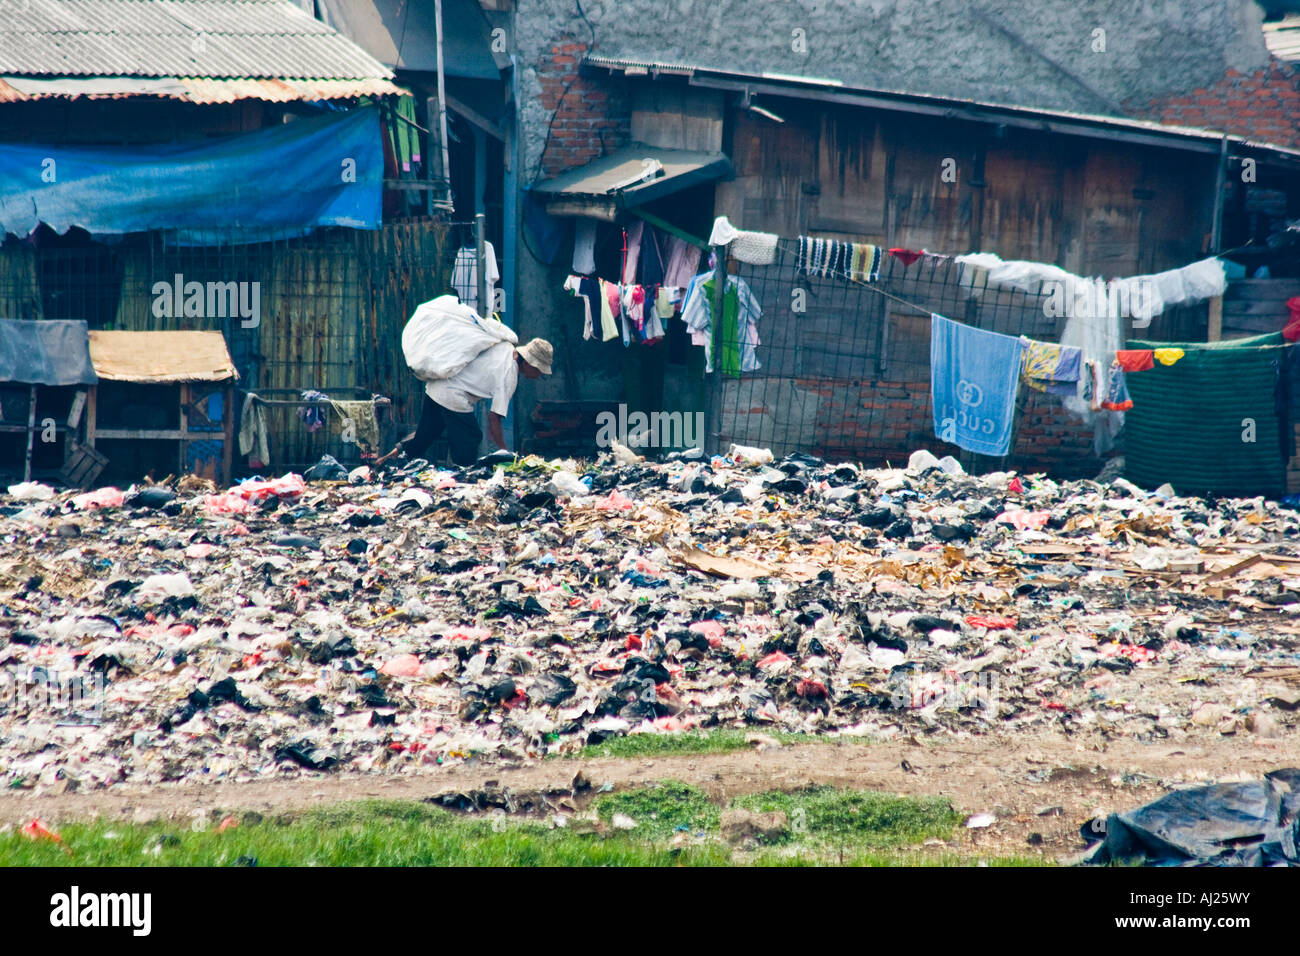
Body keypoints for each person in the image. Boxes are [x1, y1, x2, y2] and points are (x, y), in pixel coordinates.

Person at [377, 337, 553, 466]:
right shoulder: (509, 375)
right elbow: (494, 418)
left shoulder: (505, 347)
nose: (537, 376)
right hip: (453, 395)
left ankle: (386, 459)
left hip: (437, 384)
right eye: (539, 371)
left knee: (426, 434)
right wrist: (505, 454)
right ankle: (464, 479)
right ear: (530, 363)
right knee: (471, 438)